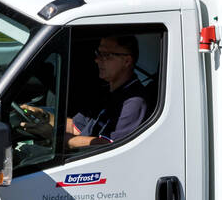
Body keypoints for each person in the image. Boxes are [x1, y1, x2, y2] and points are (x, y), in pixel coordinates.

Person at [17, 35, 149, 148]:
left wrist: (53, 135)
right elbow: (76, 127)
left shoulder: (133, 102)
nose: (97, 60)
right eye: (98, 54)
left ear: (127, 61)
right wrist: (45, 116)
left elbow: (107, 145)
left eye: (106, 55)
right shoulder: (105, 92)